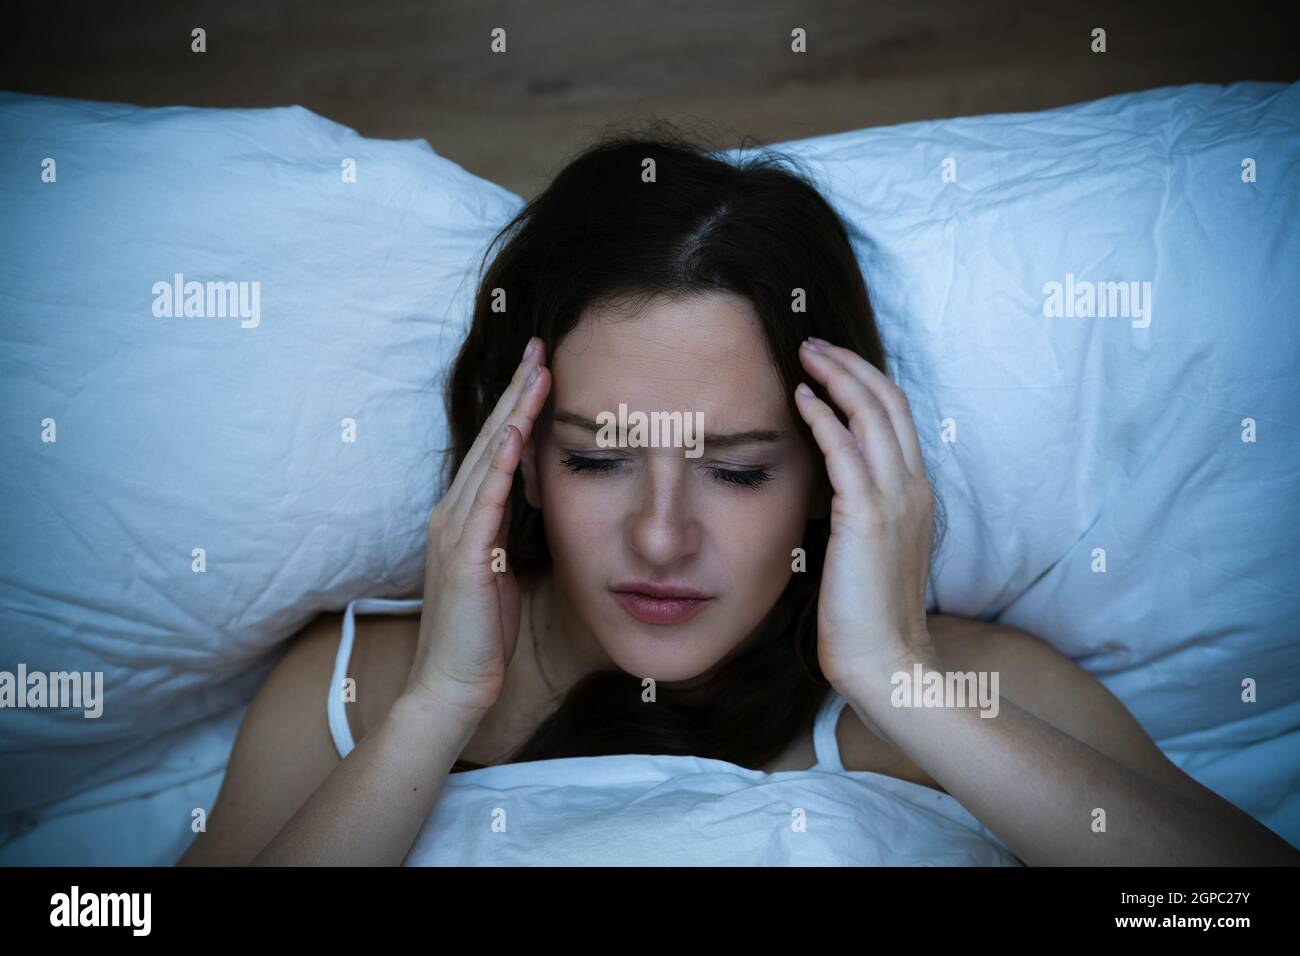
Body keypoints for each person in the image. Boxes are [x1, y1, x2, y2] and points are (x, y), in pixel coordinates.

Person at [178, 124, 1298, 867]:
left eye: (737, 469)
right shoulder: (352, 694)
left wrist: (897, 679)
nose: (660, 536)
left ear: (833, 470)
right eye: (598, 456)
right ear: (514, 458)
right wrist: (434, 710)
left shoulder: (973, 690)